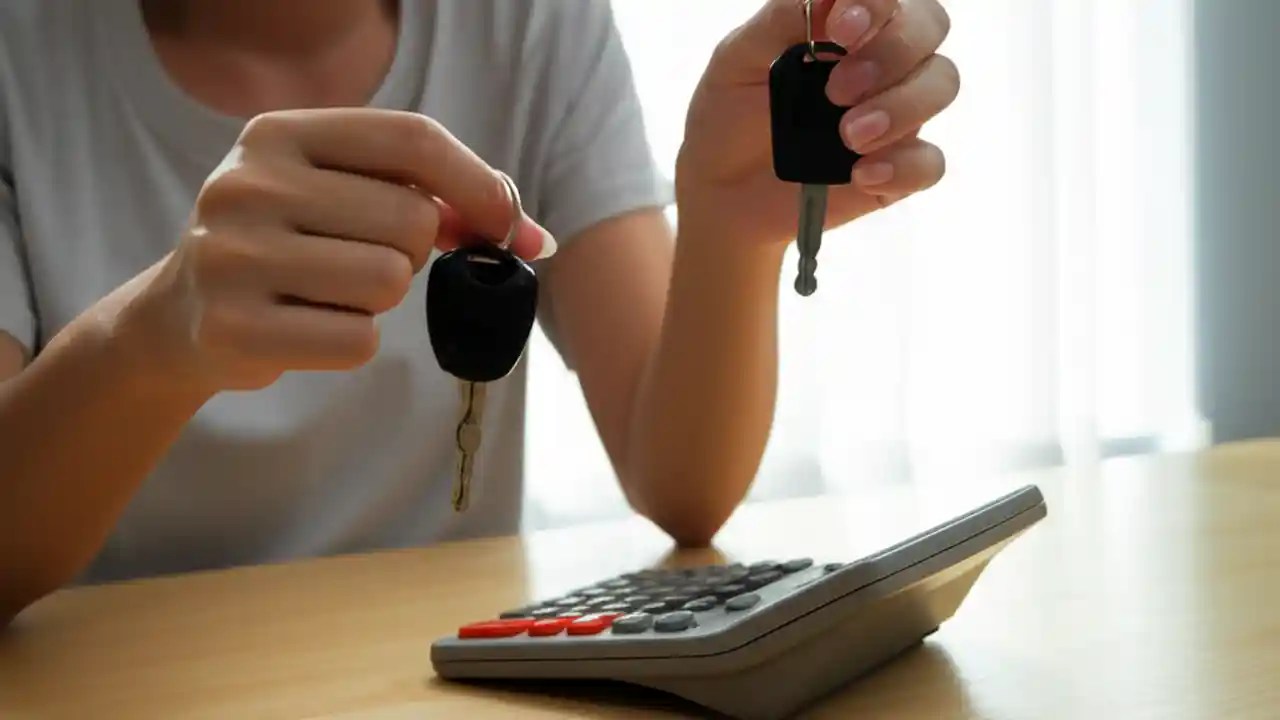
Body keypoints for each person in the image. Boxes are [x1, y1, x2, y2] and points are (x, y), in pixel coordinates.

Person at [0, 0, 957, 624]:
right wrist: (152, 337)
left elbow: (684, 486)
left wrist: (730, 226)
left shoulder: (533, 24)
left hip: (434, 680)